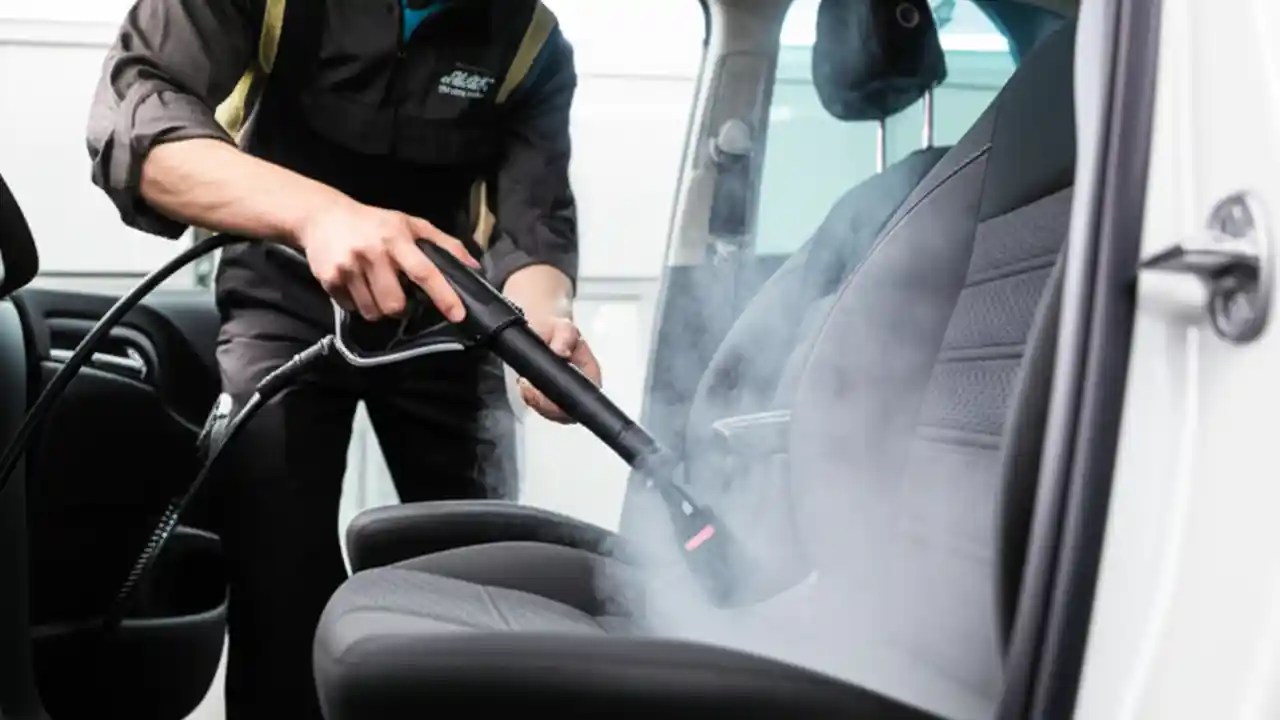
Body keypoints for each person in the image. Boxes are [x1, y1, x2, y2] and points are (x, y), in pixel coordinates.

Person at [86, 0, 600, 717]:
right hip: (281, 294)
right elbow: (138, 121)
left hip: (447, 318)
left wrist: (544, 327)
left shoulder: (530, 41)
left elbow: (534, 228)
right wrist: (320, 215)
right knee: (275, 561)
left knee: (481, 554)